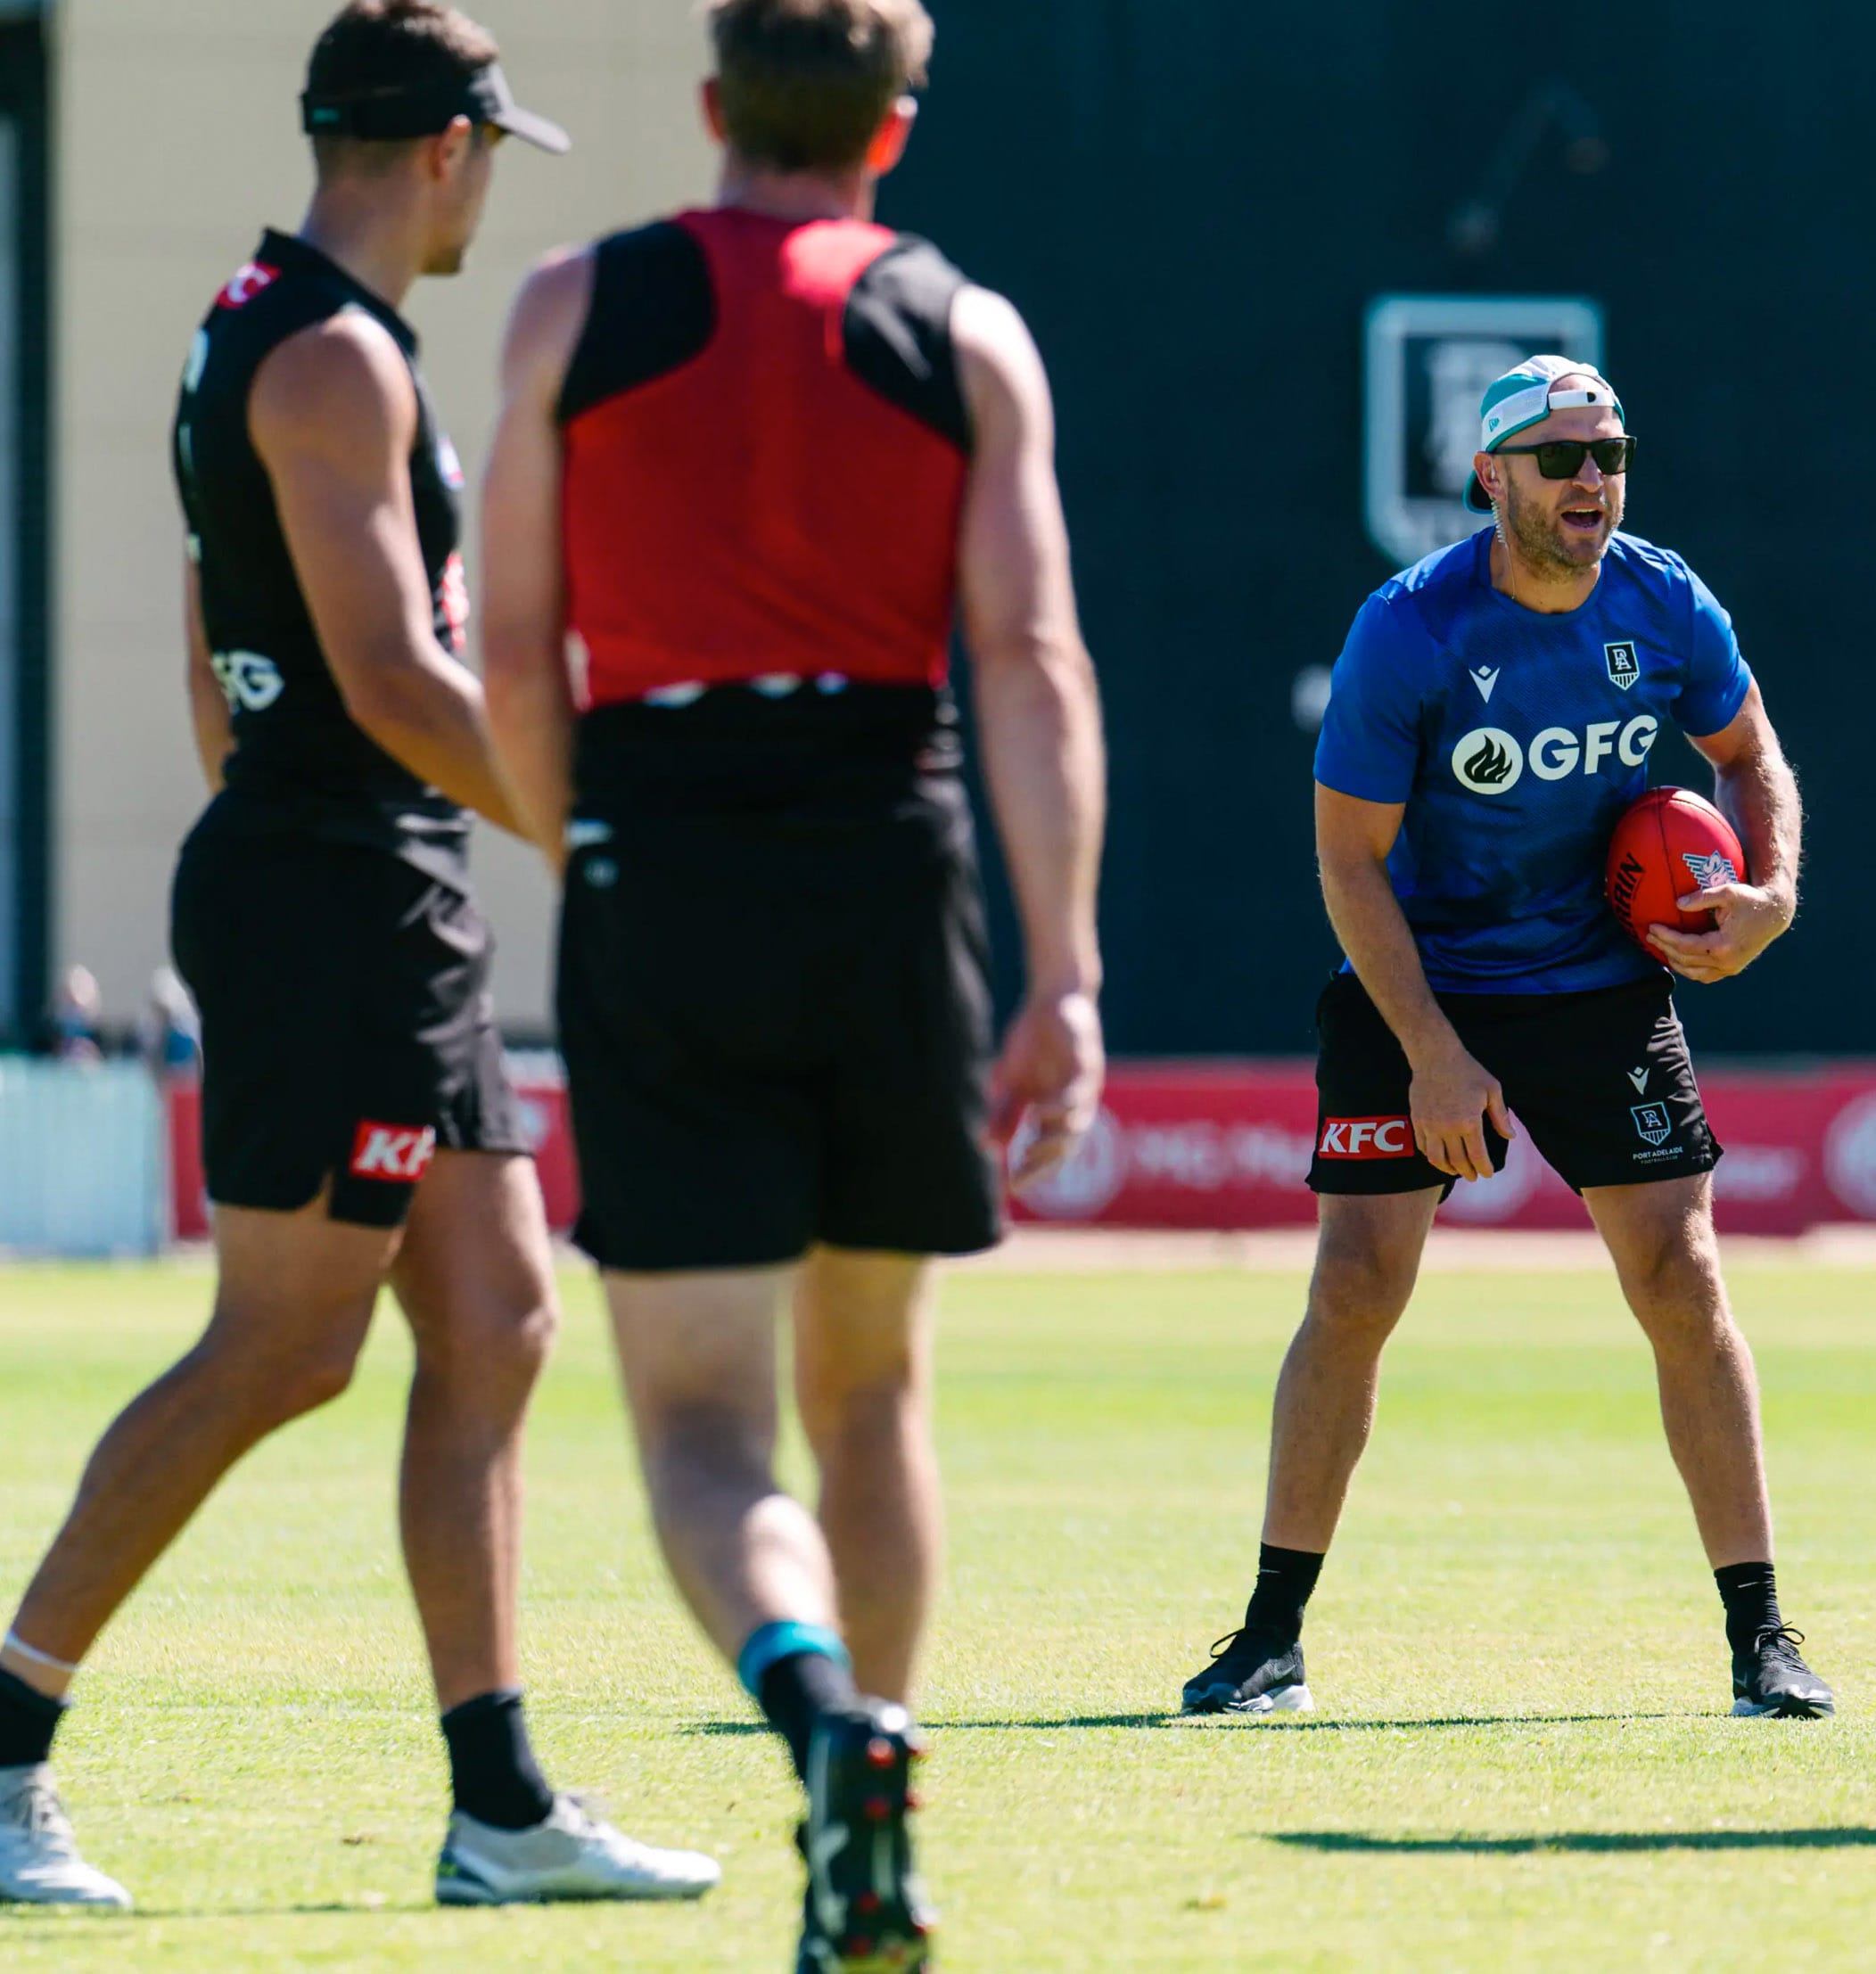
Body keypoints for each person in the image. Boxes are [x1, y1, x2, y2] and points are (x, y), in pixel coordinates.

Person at [0, 1, 720, 1913]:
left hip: (358, 883)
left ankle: (500, 1807)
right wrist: (594, 838)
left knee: (496, 1320)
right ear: (444, 151)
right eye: (489, 160)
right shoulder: (329, 354)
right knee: (285, 1345)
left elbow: (211, 653)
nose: (486, 195)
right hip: (343, 895)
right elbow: (394, 674)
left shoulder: (264, 325)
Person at [476, 0, 1103, 1964]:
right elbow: (1030, 660)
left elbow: (511, 648)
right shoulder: (967, 330)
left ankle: (822, 1724)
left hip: (657, 848)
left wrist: (586, 850)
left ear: (712, 106)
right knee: (873, 1387)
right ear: (892, 130)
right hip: (887, 850)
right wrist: (1065, 969)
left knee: (699, 1424)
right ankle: (873, 1817)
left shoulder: (573, 305)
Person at [1178, 356, 1835, 1724]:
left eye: (1610, 454)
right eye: (1559, 457)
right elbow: (1347, 861)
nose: (1591, 479)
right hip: (1420, 979)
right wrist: (1430, 1048)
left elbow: (1749, 751)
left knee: (1681, 1278)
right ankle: (1269, 1639)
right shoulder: (1410, 627)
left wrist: (1771, 892)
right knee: (1355, 1286)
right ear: (1490, 477)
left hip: (1595, 983)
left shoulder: (1664, 598)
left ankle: (1763, 1638)